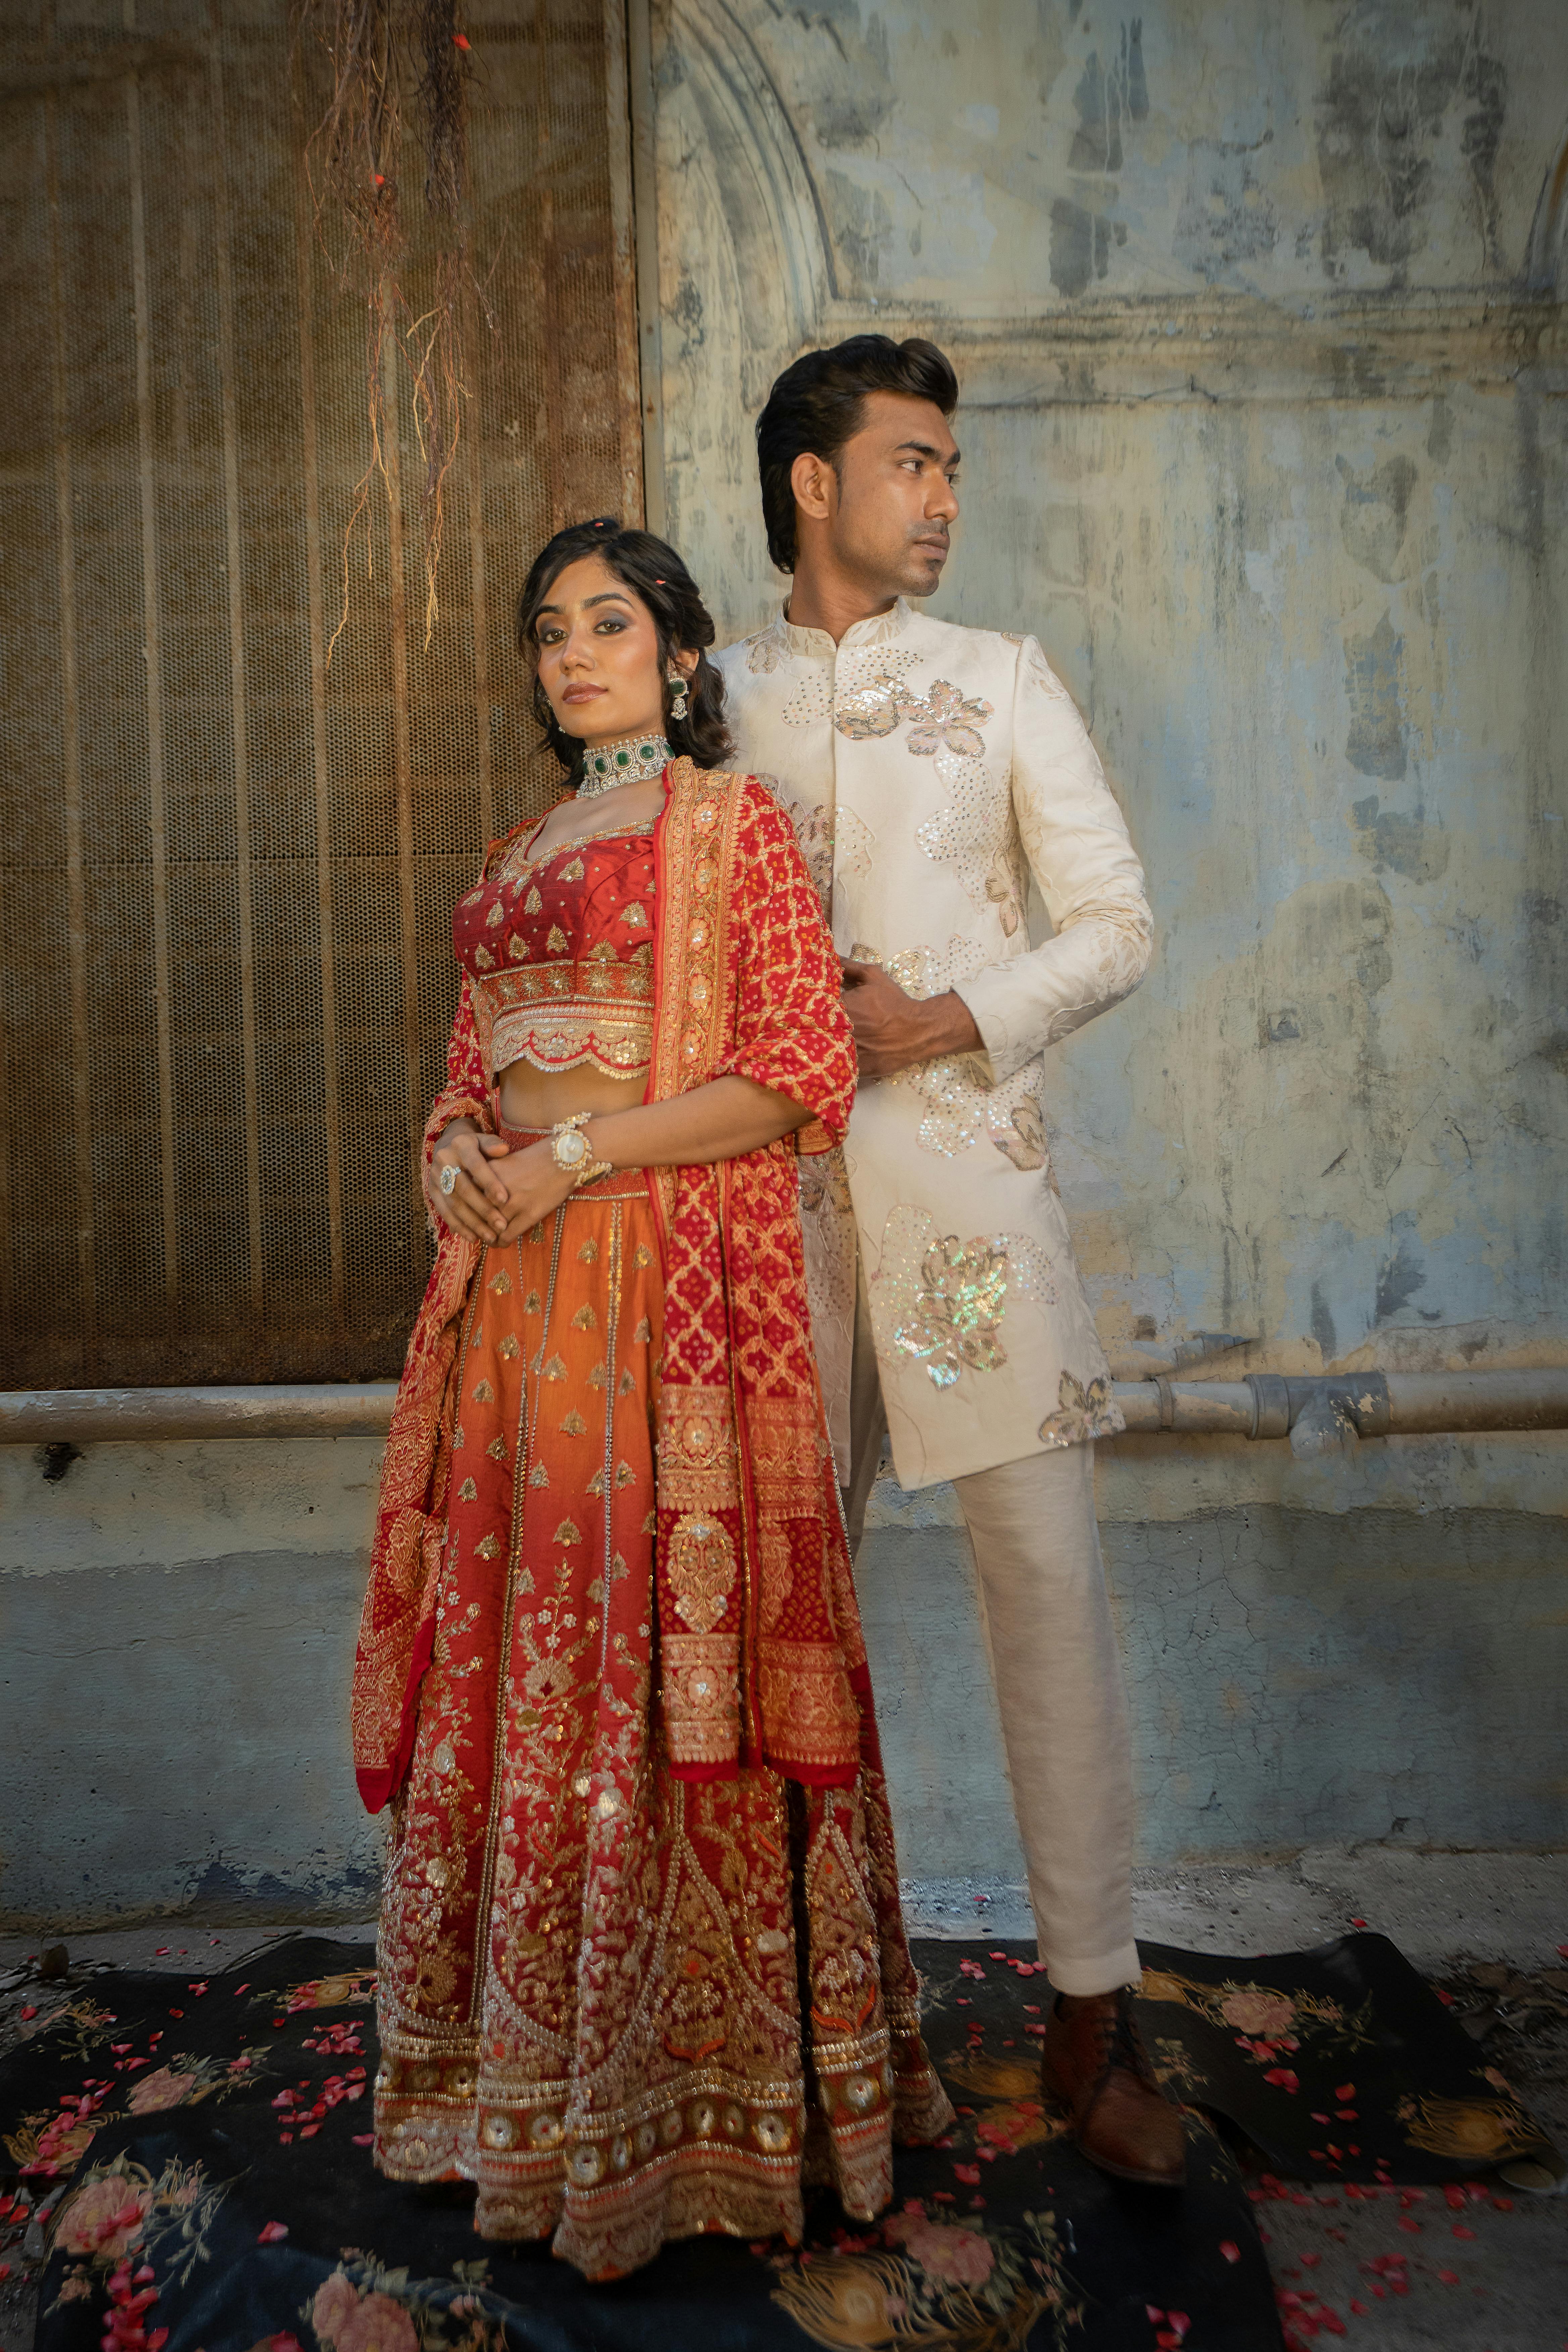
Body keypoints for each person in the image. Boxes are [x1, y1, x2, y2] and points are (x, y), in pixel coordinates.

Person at [349, 518, 950, 2280]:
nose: (572, 654)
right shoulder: (524, 845)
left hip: (653, 1304)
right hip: (517, 1323)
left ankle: (698, 2102)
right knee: (528, 1661)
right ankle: (508, 2091)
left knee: (648, 1656)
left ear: (682, 656)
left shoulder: (728, 826)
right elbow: (470, 1077)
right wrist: (458, 1151)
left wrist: (578, 1153)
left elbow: (795, 1072)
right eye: (548, 632)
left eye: (608, 623)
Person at [713, 337, 1182, 2189]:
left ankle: (1094, 2018)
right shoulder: (714, 697)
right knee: (760, 1618)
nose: (946, 497)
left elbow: (1120, 923)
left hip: (964, 1225)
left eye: (954, 467)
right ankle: (780, 2016)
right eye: (915, 463)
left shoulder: (1000, 684)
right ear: (815, 484)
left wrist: (951, 1019)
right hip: (760, 1235)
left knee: (1043, 1586)